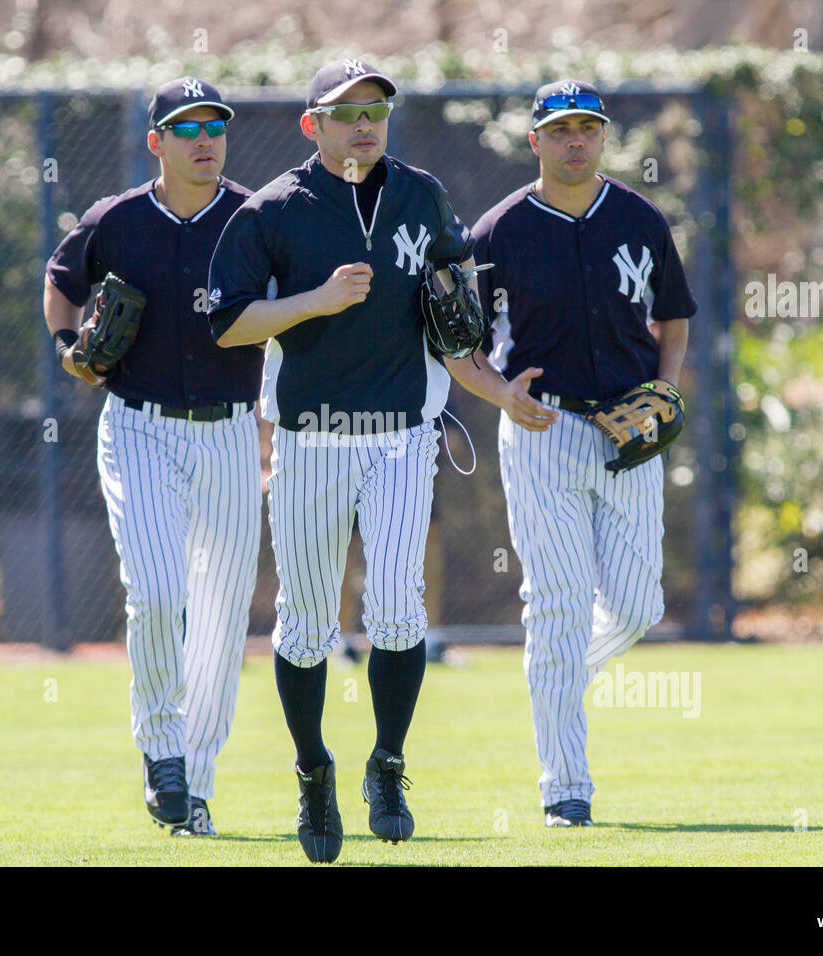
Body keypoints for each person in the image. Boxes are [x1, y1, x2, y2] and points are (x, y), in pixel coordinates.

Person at [207, 58, 551, 863]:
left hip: (401, 431)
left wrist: (498, 392)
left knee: (398, 608)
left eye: (377, 111)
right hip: (308, 436)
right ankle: (314, 771)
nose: (365, 124)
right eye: (346, 111)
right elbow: (226, 324)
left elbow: (453, 319)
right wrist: (313, 302)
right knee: (304, 624)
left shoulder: (421, 196)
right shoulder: (275, 210)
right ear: (312, 125)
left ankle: (388, 765)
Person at [459, 80, 696, 827]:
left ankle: (552, 675)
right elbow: (457, 343)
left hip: (629, 431)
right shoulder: (496, 232)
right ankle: (566, 787)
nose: (575, 141)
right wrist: (500, 395)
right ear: (535, 141)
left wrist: (663, 390)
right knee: (556, 606)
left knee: (635, 607)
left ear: (602, 138)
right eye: (559, 130)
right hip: (542, 430)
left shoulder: (638, 216)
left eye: (587, 128)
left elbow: (674, 317)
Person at [43, 77, 263, 837]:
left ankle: (193, 784)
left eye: (214, 126)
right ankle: (162, 748)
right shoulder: (117, 219)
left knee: (223, 613)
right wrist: (71, 349)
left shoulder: (252, 215)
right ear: (156, 141)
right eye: (186, 127)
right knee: (158, 590)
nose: (204, 139)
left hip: (232, 430)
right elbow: (61, 282)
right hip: (138, 423)